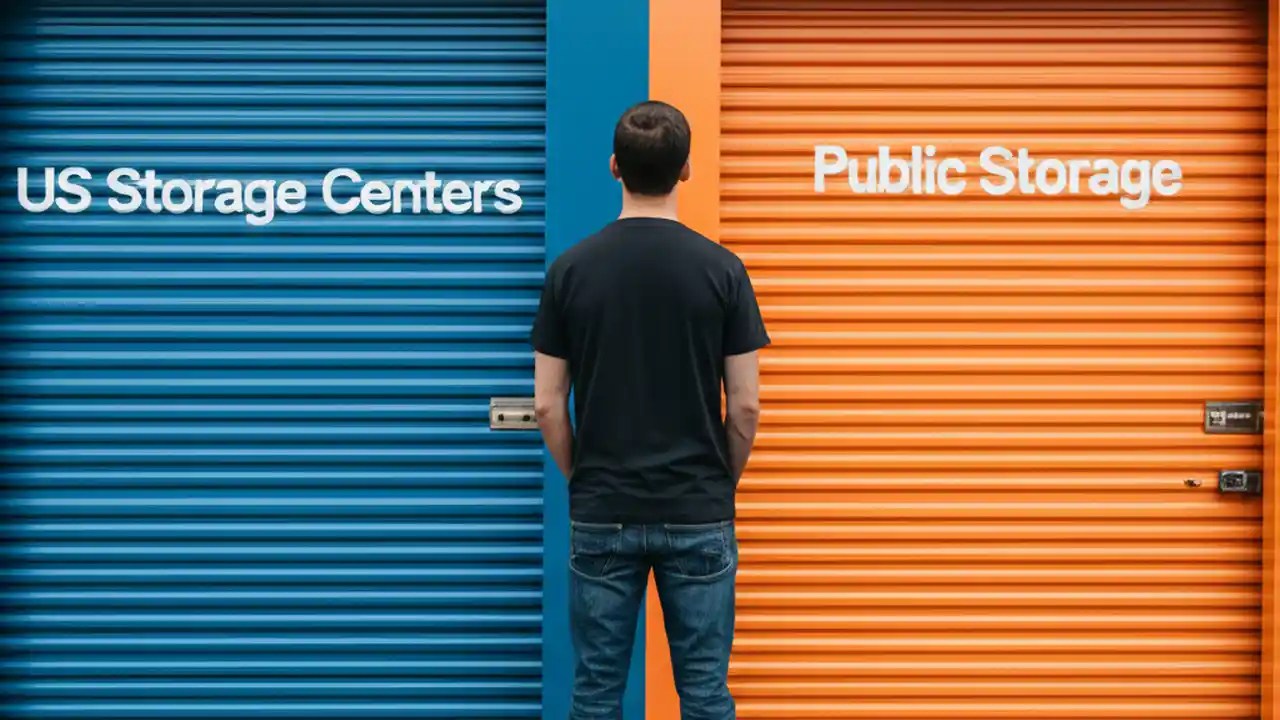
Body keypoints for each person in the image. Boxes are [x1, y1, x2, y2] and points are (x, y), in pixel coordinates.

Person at [530, 100, 770, 720]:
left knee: (595, 693)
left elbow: (547, 405)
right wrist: (717, 482)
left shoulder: (569, 271)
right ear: (685, 169)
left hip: (603, 509)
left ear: (614, 166)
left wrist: (583, 476)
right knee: (705, 694)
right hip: (698, 509)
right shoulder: (724, 271)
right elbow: (745, 406)